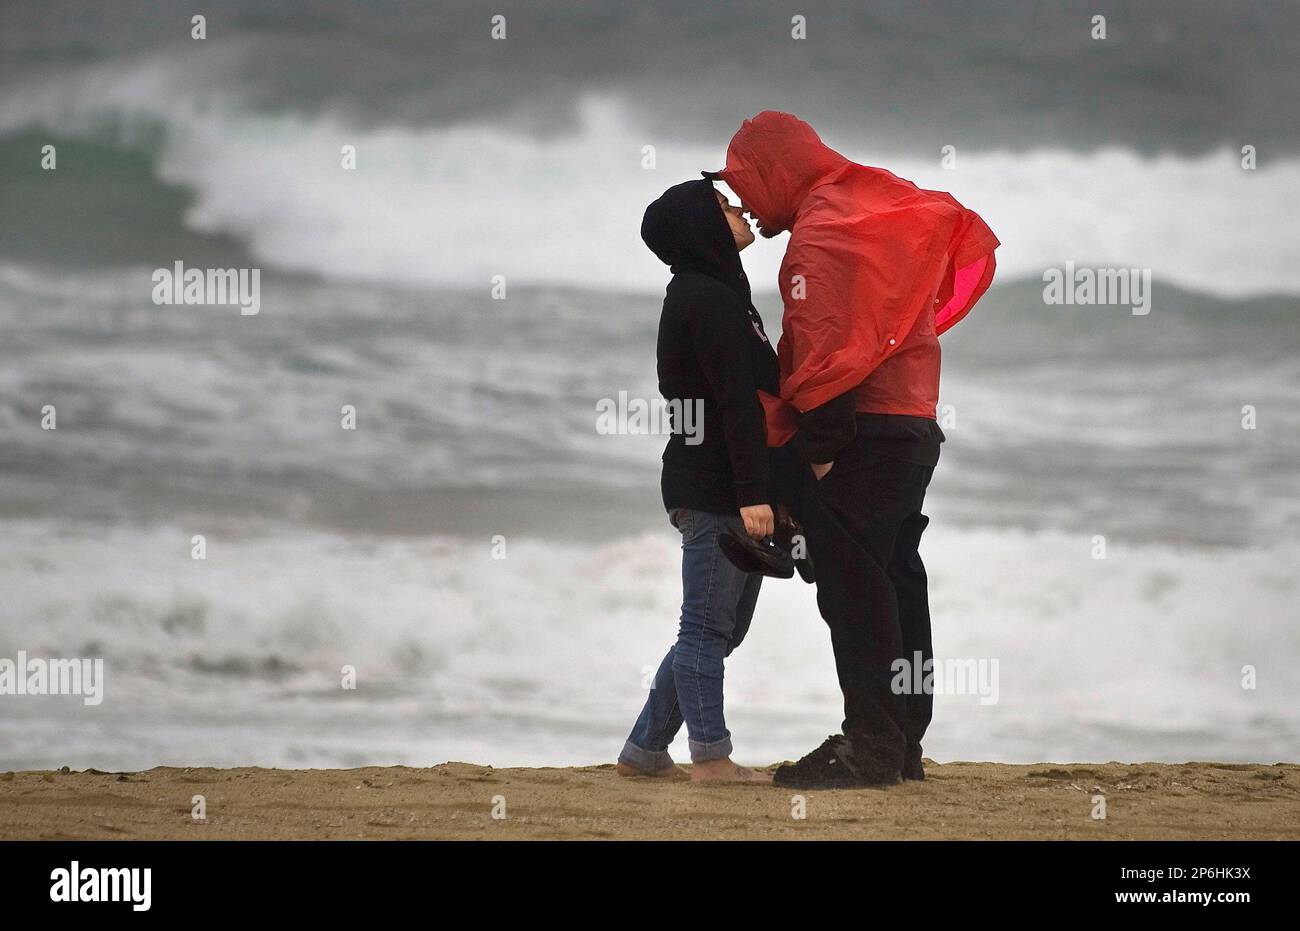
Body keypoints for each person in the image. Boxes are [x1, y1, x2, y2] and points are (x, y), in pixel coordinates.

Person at [708, 111, 1000, 788]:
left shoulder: (821, 234)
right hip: (914, 423)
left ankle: (869, 746)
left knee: (854, 585)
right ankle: (903, 744)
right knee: (896, 575)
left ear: (783, 170)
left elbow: (823, 352)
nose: (749, 201)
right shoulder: (875, 202)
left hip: (862, 429)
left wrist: (819, 455)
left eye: (753, 182)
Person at [616, 179, 780, 784]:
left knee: (721, 629)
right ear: (700, 228)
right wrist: (754, 493)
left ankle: (644, 750)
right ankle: (711, 756)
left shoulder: (717, 292)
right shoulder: (704, 298)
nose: (740, 209)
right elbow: (736, 404)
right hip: (716, 487)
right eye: (723, 206)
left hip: (716, 481)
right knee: (707, 628)